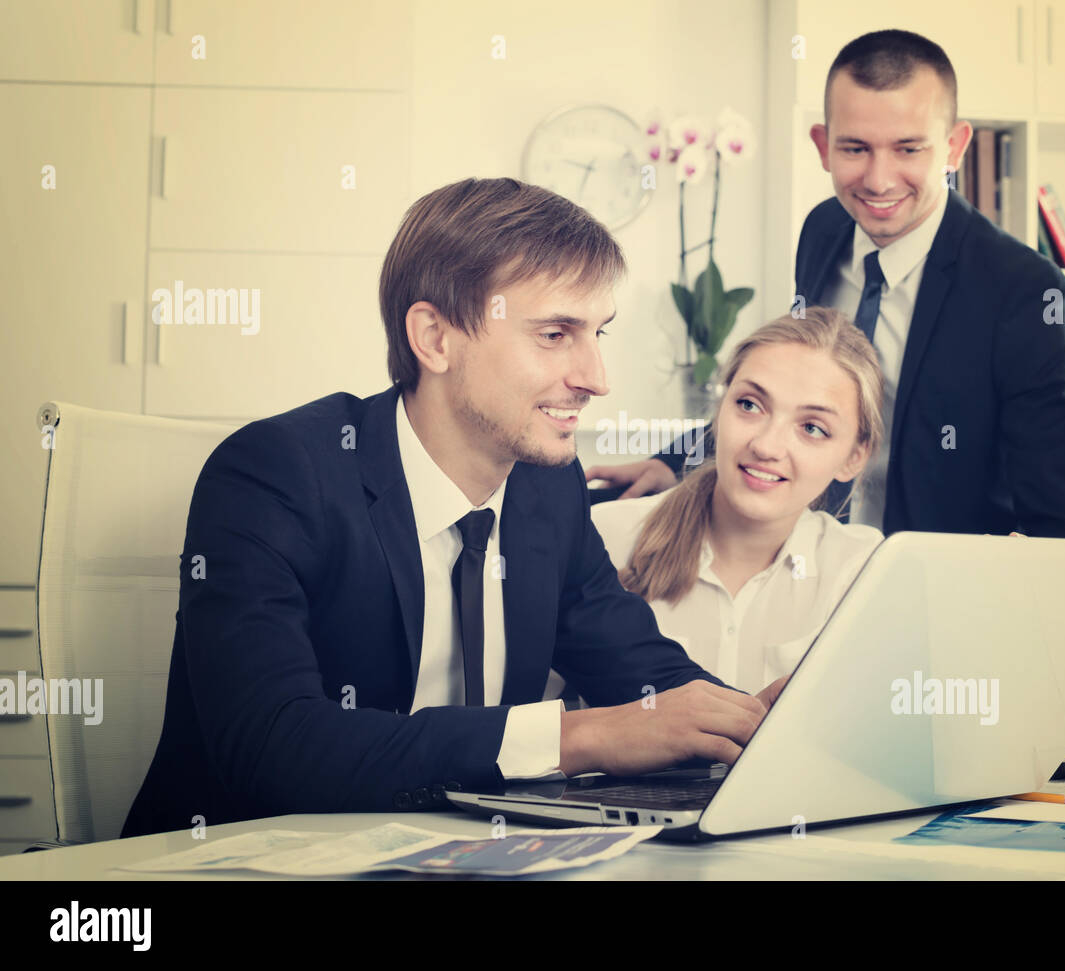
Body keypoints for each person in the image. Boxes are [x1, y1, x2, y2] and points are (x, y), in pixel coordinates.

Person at [122, 177, 786, 839]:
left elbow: (645, 675)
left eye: (597, 333)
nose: (596, 377)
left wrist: (760, 721)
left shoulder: (546, 488)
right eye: (555, 333)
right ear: (435, 338)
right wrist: (574, 736)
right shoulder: (274, 474)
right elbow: (272, 743)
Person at [587, 29, 1065, 539]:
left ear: (954, 147)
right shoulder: (824, 230)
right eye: (855, 149)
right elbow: (791, 395)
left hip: (935, 590)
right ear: (823, 145)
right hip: (806, 563)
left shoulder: (1028, 292)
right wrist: (674, 462)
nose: (878, 181)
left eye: (908, 150)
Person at [582, 307, 887, 695]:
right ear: (719, 411)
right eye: (749, 405)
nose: (765, 445)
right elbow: (523, 731)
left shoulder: (866, 572)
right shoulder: (602, 539)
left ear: (854, 457)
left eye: (812, 428)